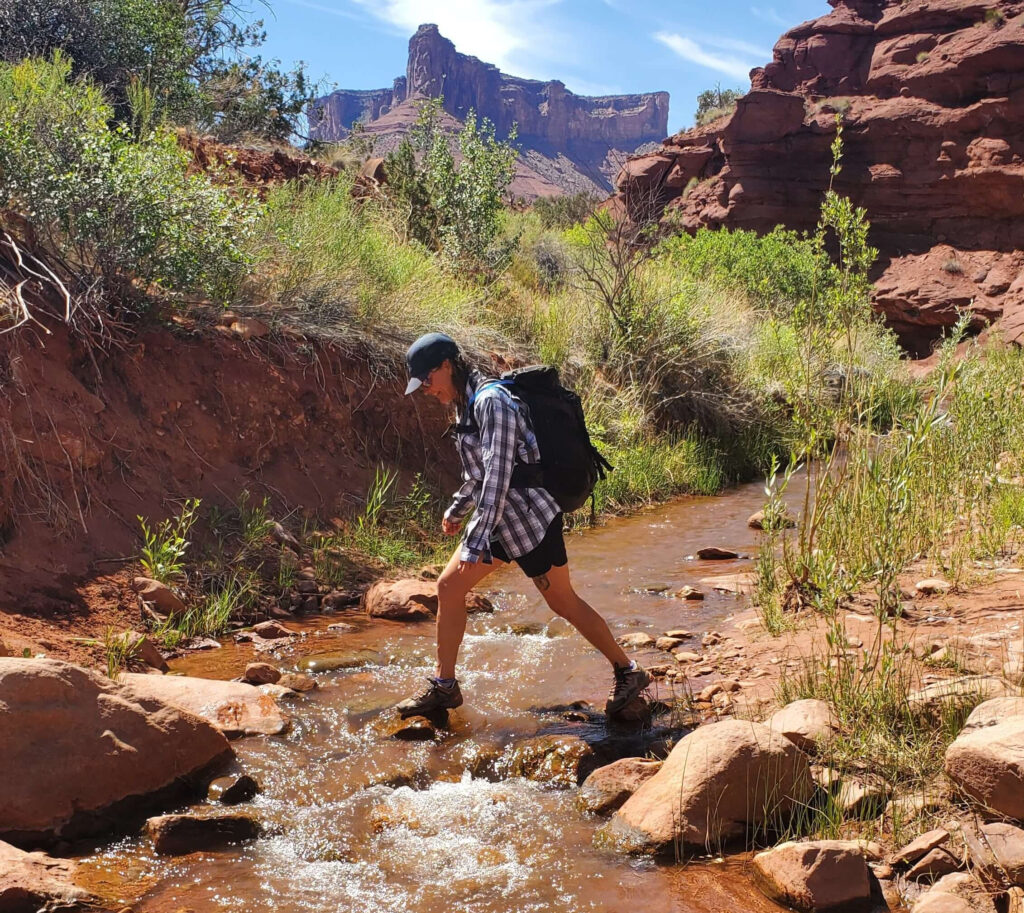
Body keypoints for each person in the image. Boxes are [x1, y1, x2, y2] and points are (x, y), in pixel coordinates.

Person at [397, 331, 650, 719]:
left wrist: (476, 541)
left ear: (446, 366)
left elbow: (498, 474)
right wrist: (457, 509)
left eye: (427, 381)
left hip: (530, 520)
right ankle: (445, 686)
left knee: (562, 601)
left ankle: (627, 671)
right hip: (501, 517)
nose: (426, 391)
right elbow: (479, 475)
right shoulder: (467, 405)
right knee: (448, 586)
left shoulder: (492, 403)